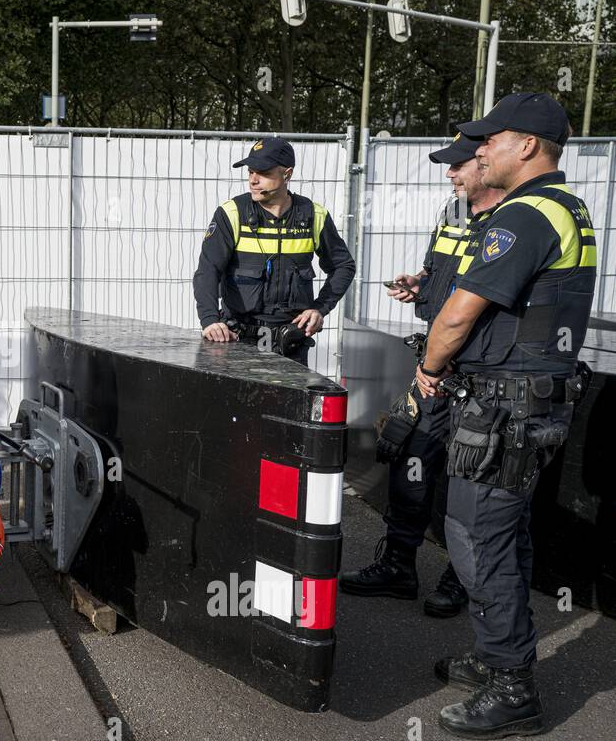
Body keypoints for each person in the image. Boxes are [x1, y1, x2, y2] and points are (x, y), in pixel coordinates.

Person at [414, 93, 597, 739]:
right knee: (504, 534)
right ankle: (496, 657)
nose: (480, 149)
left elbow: (460, 312)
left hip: (505, 408)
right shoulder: (563, 206)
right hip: (529, 403)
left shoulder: (523, 216)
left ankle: (514, 688)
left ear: (528, 146)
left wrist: (429, 369)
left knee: (476, 536)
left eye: (491, 138)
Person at [342, 133, 506, 616]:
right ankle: (398, 567)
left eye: (457, 165)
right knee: (410, 464)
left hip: (476, 375)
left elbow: (489, 306)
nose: (449, 174)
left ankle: (461, 580)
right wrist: (420, 285)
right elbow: (440, 275)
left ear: (483, 163)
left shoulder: (512, 220)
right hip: (435, 373)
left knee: (467, 481)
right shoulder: (453, 212)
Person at [194, 137, 356, 365]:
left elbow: (343, 266)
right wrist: (210, 320)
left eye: (263, 173)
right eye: (250, 172)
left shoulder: (314, 215)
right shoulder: (231, 213)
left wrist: (320, 308)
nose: (253, 180)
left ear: (287, 174)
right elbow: (207, 271)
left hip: (291, 343)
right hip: (236, 341)